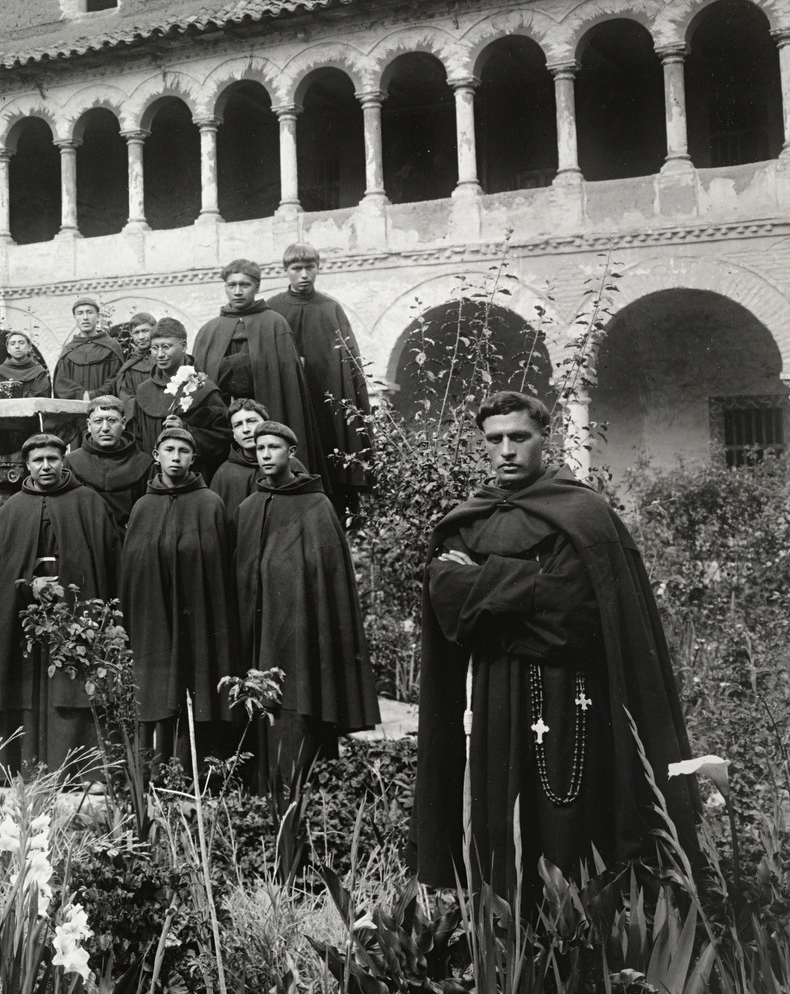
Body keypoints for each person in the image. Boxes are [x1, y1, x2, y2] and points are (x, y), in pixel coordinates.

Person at [414, 393, 699, 897]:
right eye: (495, 439)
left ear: (545, 438)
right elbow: (446, 598)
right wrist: (531, 588)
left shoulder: (582, 513)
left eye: (519, 437)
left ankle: (575, 929)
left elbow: (571, 615)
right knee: (497, 813)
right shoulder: (468, 519)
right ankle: (507, 927)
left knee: (565, 816)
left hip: (568, 692)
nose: (506, 450)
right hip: (492, 694)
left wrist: (481, 587)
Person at [234, 422, 379, 802]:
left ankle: (300, 791)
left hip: (301, 629)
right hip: (260, 629)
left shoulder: (316, 506)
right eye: (260, 448)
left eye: (274, 447)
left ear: (292, 452)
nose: (266, 454)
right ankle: (264, 792)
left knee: (299, 703)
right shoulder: (250, 507)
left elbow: (328, 578)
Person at [0, 432, 122, 774]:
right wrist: (29, 582)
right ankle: (20, 766)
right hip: (23, 613)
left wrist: (69, 586)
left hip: (75, 609)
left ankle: (81, 769)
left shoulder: (88, 502)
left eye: (52, 459)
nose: (45, 466)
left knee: (75, 681)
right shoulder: (13, 508)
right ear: (26, 465)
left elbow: (107, 559)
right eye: (37, 460)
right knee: (21, 680)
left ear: (63, 460)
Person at [120, 421, 242, 760]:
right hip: (153, 618)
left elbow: (218, 570)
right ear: (156, 455)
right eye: (169, 450)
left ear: (193, 459)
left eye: (183, 451)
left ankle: (193, 764)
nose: (176, 458)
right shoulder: (143, 507)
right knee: (155, 686)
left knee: (195, 681)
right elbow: (132, 571)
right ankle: (154, 765)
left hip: (196, 617)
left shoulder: (210, 504)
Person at [193, 260, 321, 492]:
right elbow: (203, 385)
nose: (238, 291)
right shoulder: (209, 331)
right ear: (225, 287)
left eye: (245, 285)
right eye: (232, 285)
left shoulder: (275, 324)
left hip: (269, 412)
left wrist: (235, 366)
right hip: (225, 428)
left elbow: (286, 383)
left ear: (257, 286)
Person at [266, 243, 373, 515]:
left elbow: (350, 365)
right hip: (288, 402)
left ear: (318, 268)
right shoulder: (272, 310)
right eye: (296, 268)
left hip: (326, 406)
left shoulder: (330, 309)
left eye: (309, 268)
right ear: (285, 270)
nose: (304, 275)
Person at [130, 316, 231, 467]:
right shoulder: (143, 390)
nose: (160, 354)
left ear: (183, 346)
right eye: (155, 348)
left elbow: (223, 440)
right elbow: (137, 438)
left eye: (166, 347)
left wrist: (186, 430)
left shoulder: (204, 389)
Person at [65, 394, 152, 527]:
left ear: (123, 423)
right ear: (89, 425)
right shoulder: (71, 463)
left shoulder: (144, 464)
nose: (105, 428)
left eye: (112, 420)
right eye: (98, 421)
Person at [54, 298, 124, 400]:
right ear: (75, 317)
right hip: (74, 408)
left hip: (106, 406)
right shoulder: (68, 350)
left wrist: (94, 396)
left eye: (89, 312)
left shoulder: (112, 347)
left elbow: (117, 378)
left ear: (98, 316)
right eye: (80, 313)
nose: (85, 317)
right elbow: (61, 385)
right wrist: (81, 395)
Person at [210, 399, 270, 514]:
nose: (245, 430)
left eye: (251, 421)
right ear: (234, 435)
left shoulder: (289, 464)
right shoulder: (224, 474)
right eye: (238, 425)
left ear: (266, 425)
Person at [0, 330, 52, 398]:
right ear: (8, 349)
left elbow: (42, 398)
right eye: (12, 344)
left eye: (21, 343)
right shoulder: (0, 371)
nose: (17, 346)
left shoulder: (38, 372)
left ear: (29, 347)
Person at [114, 312, 160, 399]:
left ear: (155, 330)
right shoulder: (129, 366)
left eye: (145, 331)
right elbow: (126, 398)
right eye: (136, 332)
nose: (141, 337)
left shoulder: (166, 358)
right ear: (131, 334)